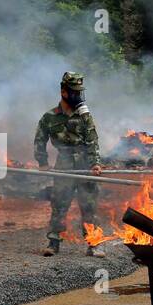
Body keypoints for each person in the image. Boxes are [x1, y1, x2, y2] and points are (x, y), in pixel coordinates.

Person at [34, 72, 104, 257]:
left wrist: (96, 163)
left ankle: (94, 243)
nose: (78, 96)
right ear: (64, 92)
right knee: (59, 204)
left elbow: (92, 141)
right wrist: (42, 162)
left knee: (89, 206)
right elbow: (39, 140)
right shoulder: (50, 117)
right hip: (63, 164)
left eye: (80, 92)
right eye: (74, 91)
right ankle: (53, 242)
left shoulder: (85, 116)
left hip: (85, 165)